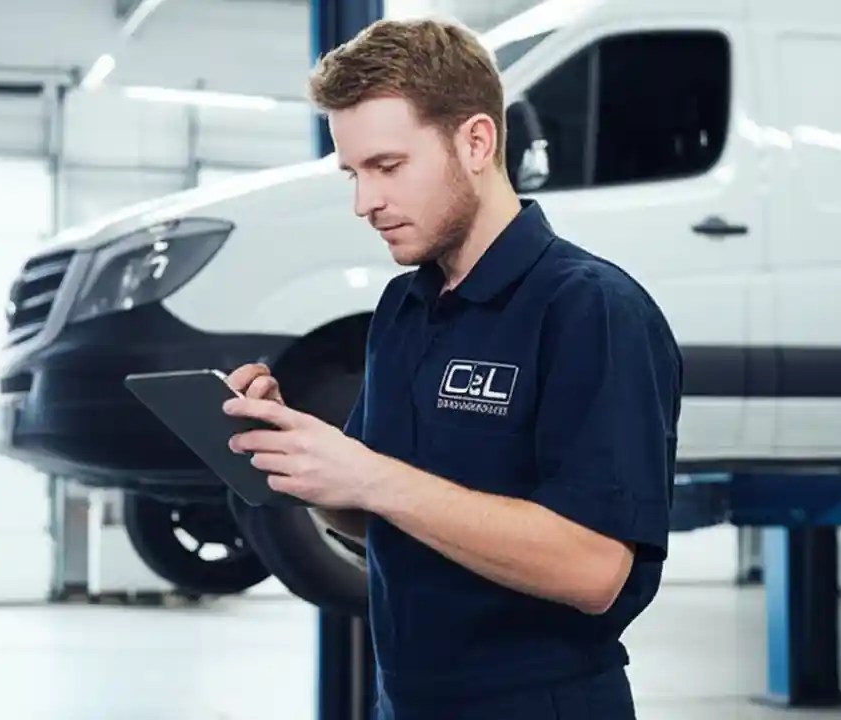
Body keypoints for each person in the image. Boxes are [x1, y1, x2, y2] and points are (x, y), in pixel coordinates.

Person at [221, 16, 683, 720]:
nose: (364, 202)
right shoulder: (404, 310)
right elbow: (377, 516)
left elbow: (593, 570)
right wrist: (302, 457)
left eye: (387, 166)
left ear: (475, 141)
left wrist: (369, 474)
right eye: (353, 173)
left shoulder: (591, 310)